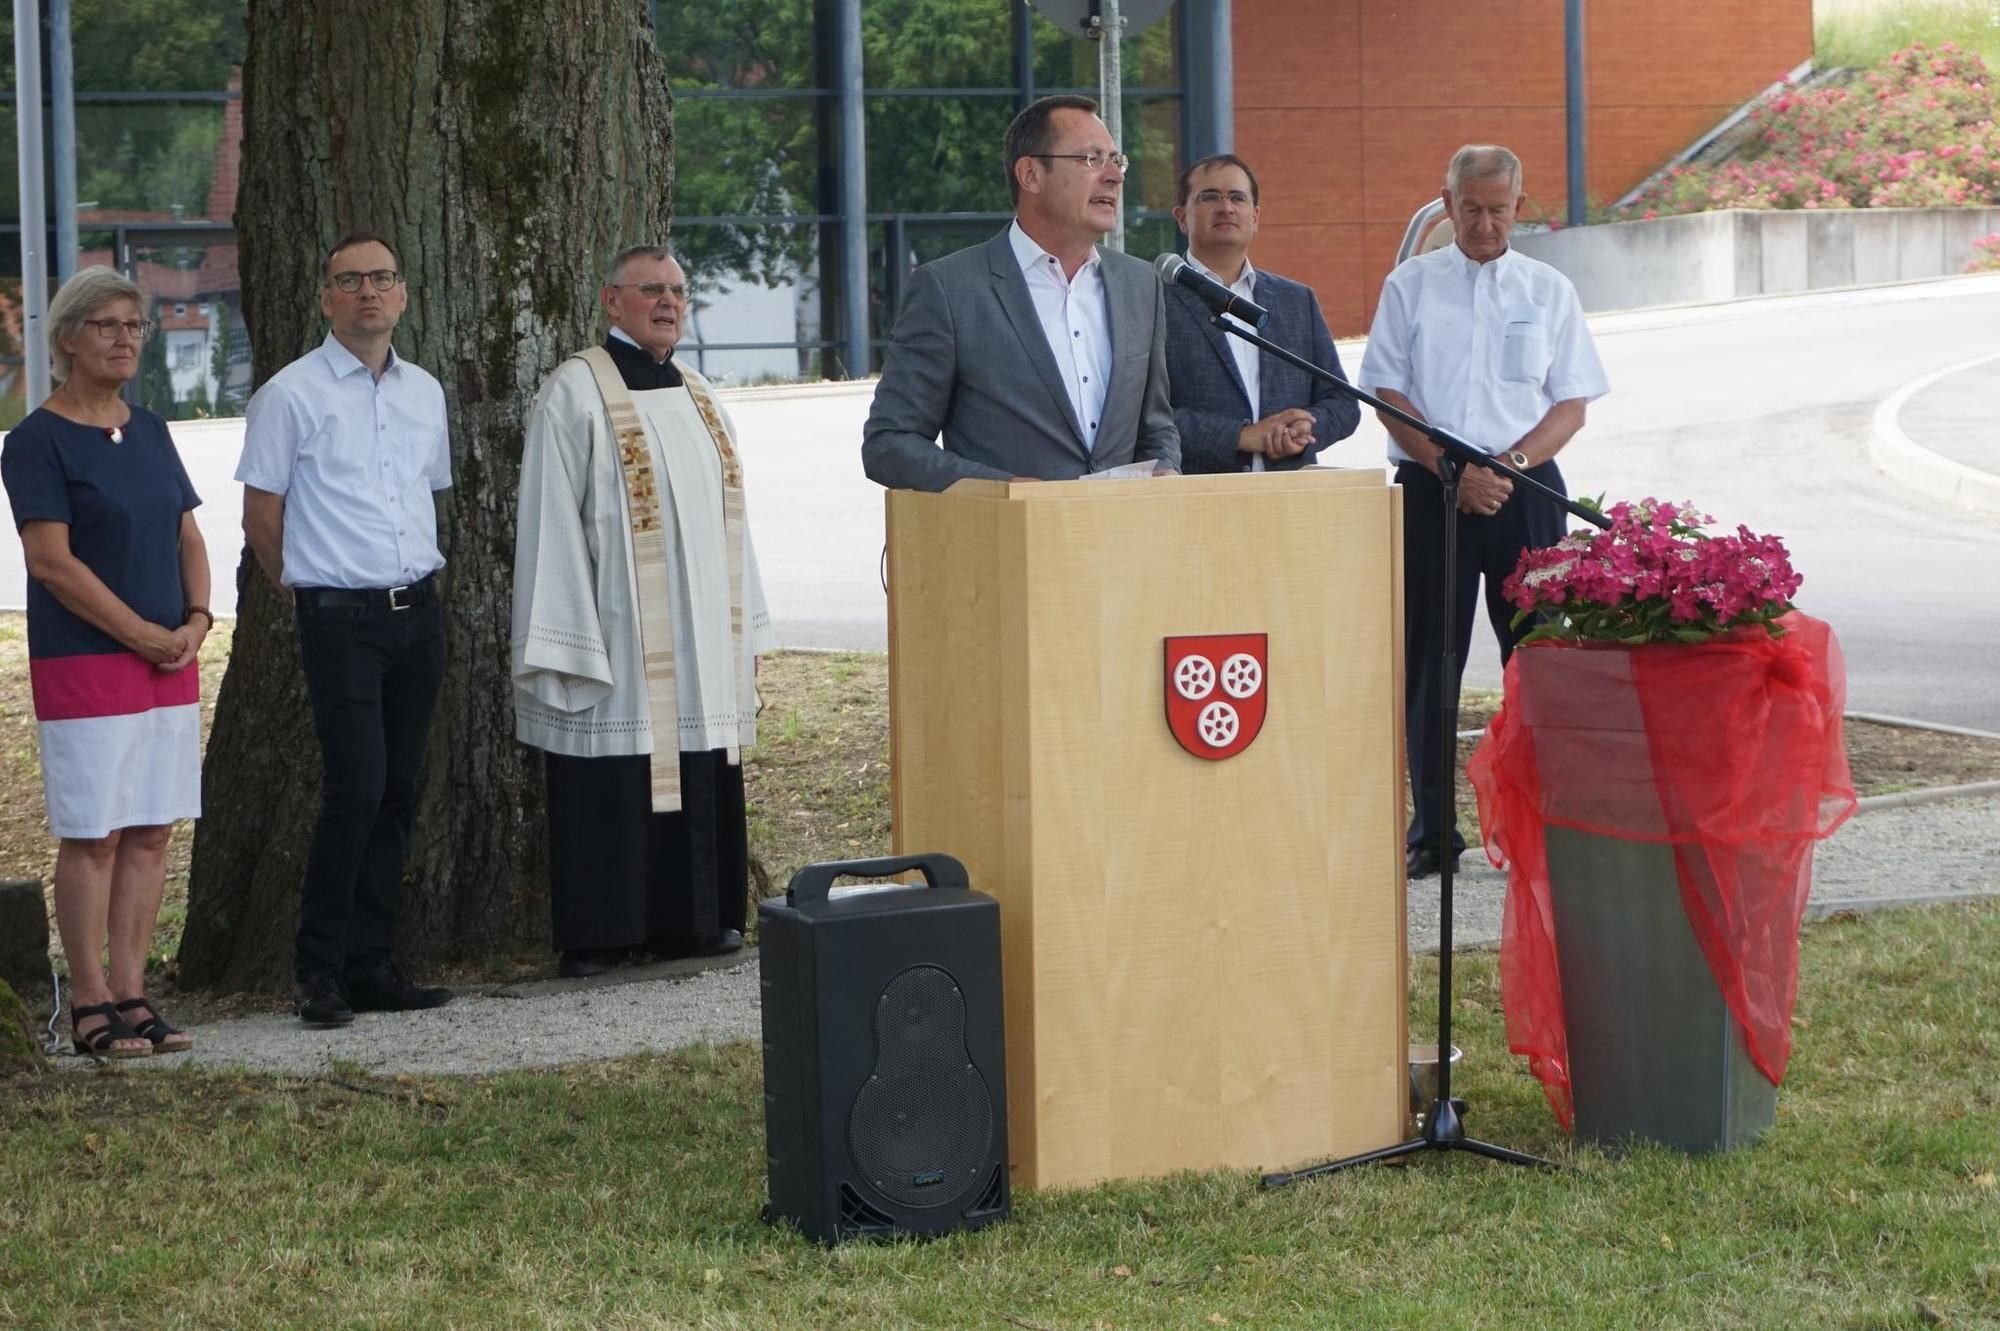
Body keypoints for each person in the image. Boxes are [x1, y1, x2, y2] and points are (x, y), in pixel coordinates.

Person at [512, 245, 777, 979]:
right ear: (611, 301)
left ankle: (696, 922)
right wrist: (570, 633)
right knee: (611, 773)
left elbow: (734, 516)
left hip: (701, 636)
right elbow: (551, 520)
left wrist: (743, 625)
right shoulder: (575, 391)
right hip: (617, 631)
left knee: (698, 765)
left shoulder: (699, 394)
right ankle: (601, 931)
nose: (668, 302)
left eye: (678, 291)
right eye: (651, 290)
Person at [1359, 145, 1610, 879]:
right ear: (1446, 205)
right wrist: (1450, 469)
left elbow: (1571, 403)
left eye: (1498, 209)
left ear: (1519, 207)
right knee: (1429, 662)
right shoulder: (1409, 287)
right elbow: (1386, 394)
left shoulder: (1548, 290)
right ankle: (1433, 832)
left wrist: (1509, 468)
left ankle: (1536, 824)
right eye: (1470, 208)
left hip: (1525, 489)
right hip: (1431, 487)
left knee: (1537, 662)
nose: (1484, 222)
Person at [238, 231, 454, 1026]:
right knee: (354, 789)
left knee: (398, 793)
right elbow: (262, 517)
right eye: (351, 280)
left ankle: (373, 964)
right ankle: (318, 971)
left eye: (383, 278)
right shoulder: (290, 394)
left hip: (416, 616)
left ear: (402, 294)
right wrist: (302, 591)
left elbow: (425, 494)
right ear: (327, 297)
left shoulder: (423, 391)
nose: (369, 292)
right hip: (339, 621)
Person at [1, 266, 209, 1057]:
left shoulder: (151, 429)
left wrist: (194, 620)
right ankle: (87, 996)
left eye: (135, 326)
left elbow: (187, 532)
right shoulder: (37, 441)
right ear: (66, 340)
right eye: (108, 326)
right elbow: (53, 563)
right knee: (96, 830)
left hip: (170, 657)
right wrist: (140, 634)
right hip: (88, 661)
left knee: (152, 829)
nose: (125, 339)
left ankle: (132, 990)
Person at [862, 94, 1179, 490]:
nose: (1114, 176)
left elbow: (1156, 426)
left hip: (1117, 543)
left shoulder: (1140, 284)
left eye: (1117, 160)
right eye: (1092, 159)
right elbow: (889, 444)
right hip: (1008, 542)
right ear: (1030, 174)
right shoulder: (949, 290)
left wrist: (1166, 469)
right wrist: (1007, 489)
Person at [1164, 153, 1359, 473]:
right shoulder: (1154, 300)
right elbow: (1143, 416)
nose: (1226, 207)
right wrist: (1240, 437)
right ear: (1182, 217)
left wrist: (1306, 428)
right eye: (1210, 196)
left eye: (1237, 198)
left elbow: (1342, 402)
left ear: (1255, 216)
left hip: (1288, 496)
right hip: (1198, 497)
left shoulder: (1295, 300)